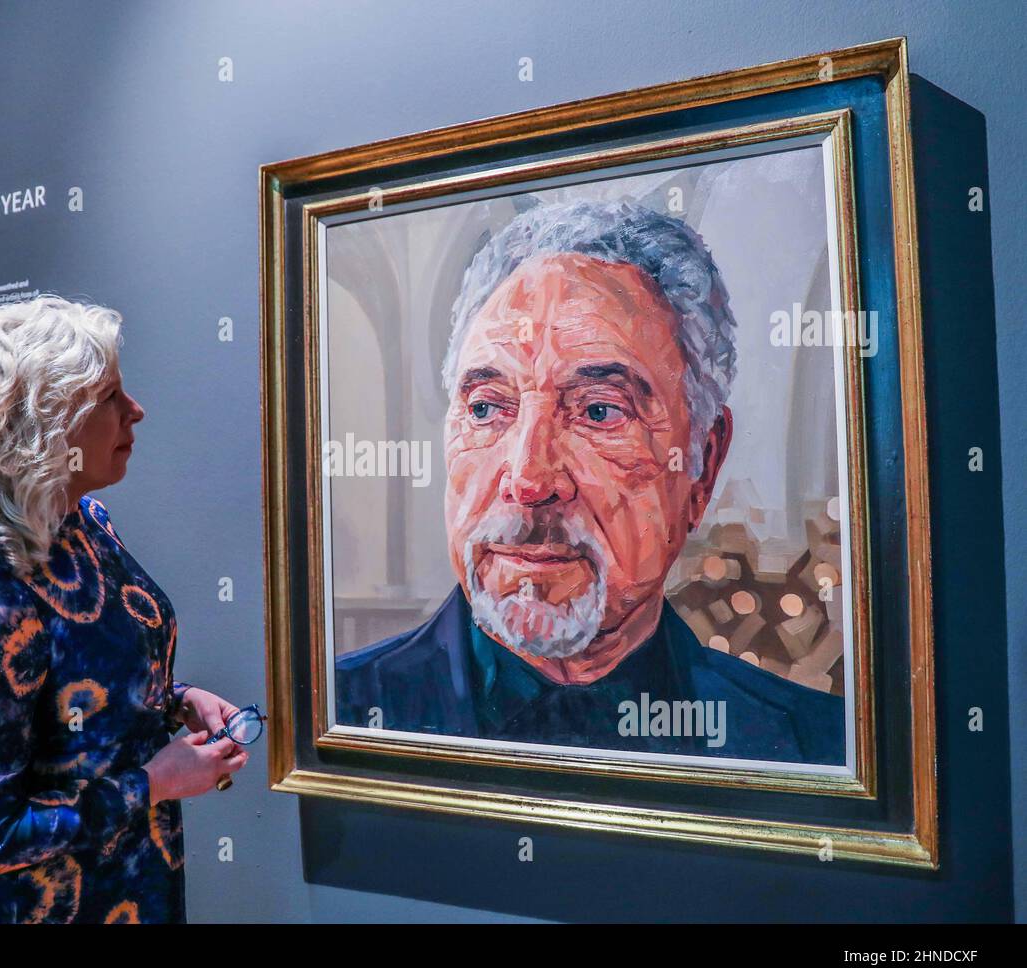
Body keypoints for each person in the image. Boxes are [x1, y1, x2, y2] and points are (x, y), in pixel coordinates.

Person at [335, 200, 844, 765]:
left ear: (703, 462)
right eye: (486, 409)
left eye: (600, 412)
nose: (529, 479)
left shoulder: (817, 748)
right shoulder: (335, 718)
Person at [0, 294, 247, 923]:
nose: (135, 412)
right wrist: (155, 783)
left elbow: (82, 689)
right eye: (110, 397)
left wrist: (175, 699)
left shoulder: (87, 524)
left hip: (136, 891)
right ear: (48, 427)